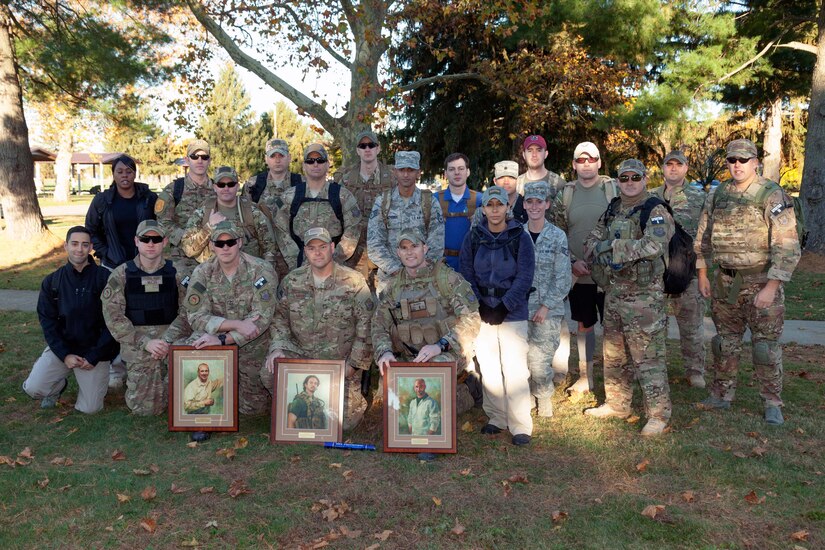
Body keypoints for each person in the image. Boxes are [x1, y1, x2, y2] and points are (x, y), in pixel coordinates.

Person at [694, 138, 801, 425]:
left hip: (760, 282)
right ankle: (721, 395)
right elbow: (703, 238)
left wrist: (772, 286)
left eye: (743, 160)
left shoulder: (771, 194)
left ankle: (771, 402)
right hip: (724, 283)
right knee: (724, 343)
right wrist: (703, 274)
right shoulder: (717, 195)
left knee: (765, 347)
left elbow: (787, 245)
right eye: (732, 160)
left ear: (755, 162)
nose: (737, 165)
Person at [583, 159, 674, 436]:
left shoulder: (655, 209)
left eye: (635, 177)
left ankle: (658, 414)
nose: (630, 182)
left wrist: (611, 248)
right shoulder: (613, 208)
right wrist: (599, 247)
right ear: (618, 181)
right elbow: (591, 240)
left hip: (644, 297)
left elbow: (654, 244)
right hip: (614, 292)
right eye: (624, 178)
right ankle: (617, 404)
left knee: (648, 357)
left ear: (645, 178)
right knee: (613, 355)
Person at [262, 227, 375, 431]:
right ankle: (286, 406)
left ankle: (351, 397)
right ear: (305, 251)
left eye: (323, 247)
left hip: (339, 363)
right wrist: (277, 348)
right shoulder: (292, 281)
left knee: (344, 423)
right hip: (302, 355)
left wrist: (354, 364)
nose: (318, 252)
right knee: (269, 371)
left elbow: (366, 325)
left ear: (332, 248)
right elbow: (279, 318)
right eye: (312, 248)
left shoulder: (353, 281)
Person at [372, 229, 480, 415]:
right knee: (390, 388)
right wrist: (385, 351)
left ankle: (468, 389)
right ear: (398, 253)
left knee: (432, 376)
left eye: (414, 246)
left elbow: (472, 319)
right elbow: (378, 323)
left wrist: (441, 345)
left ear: (425, 248)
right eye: (404, 248)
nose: (409, 252)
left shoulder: (447, 279)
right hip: (411, 355)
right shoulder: (394, 286)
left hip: (446, 353)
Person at [460, 186, 535, 446]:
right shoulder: (474, 237)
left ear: (507, 208)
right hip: (482, 312)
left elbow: (525, 276)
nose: (494, 209)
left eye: (499, 205)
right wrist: (480, 305)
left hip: (512, 313)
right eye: (489, 205)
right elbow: (466, 273)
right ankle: (496, 417)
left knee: (514, 370)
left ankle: (520, 424)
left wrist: (504, 306)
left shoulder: (520, 238)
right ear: (483, 209)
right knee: (490, 368)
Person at [184, 221, 277, 418]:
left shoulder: (261, 270)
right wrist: (235, 325)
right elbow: (195, 316)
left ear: (240, 242)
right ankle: (202, 413)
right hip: (215, 341)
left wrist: (223, 338)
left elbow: (262, 317)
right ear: (211, 246)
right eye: (219, 243)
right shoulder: (202, 272)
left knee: (253, 411)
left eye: (230, 242)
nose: (225, 248)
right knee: (196, 344)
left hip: (252, 344)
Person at [22, 226, 119, 413]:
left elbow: (114, 322)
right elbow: (48, 322)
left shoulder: (106, 278)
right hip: (64, 349)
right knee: (34, 389)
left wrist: (94, 355)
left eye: (84, 244)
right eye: (74, 244)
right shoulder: (52, 281)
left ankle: (91, 382)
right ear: (66, 246)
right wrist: (64, 354)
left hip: (94, 353)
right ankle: (57, 387)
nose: (79, 249)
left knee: (90, 409)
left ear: (91, 247)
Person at [101, 220, 191, 416]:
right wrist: (146, 342)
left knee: (186, 403)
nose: (151, 244)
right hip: (139, 345)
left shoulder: (178, 272)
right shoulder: (121, 274)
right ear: (136, 241)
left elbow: (189, 311)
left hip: (173, 341)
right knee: (146, 410)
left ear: (165, 241)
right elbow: (113, 316)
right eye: (145, 239)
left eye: (156, 239)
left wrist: (166, 341)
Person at [553, 141, 618, 394]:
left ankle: (616, 378)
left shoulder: (613, 190)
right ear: (574, 165)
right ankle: (585, 375)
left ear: (600, 162)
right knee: (584, 326)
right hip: (579, 275)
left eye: (592, 158)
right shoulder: (565, 196)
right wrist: (571, 262)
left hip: (611, 275)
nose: (587, 163)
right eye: (581, 160)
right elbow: (557, 234)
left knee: (614, 329)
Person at [650, 150, 707, 388]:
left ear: (685, 168)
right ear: (662, 169)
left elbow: (706, 235)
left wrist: (703, 272)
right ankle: (656, 368)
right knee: (654, 325)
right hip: (656, 270)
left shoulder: (699, 197)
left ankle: (695, 370)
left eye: (678, 165)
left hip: (688, 270)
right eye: (668, 164)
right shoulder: (651, 196)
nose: (673, 168)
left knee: (691, 325)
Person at [523, 182, 572, 417]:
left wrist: (545, 306)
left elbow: (563, 277)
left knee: (540, 358)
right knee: (522, 357)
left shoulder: (557, 236)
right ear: (524, 204)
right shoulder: (517, 234)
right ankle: (529, 396)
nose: (534, 206)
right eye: (530, 202)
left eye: (539, 202)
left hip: (548, 309)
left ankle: (544, 399)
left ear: (547, 204)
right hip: (520, 308)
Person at [273, 143, 361, 270]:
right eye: (310, 161)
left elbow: (353, 230)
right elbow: (281, 231)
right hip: (300, 267)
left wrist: (333, 259)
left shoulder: (343, 196)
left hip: (334, 267)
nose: (315, 164)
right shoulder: (289, 197)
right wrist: (297, 261)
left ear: (327, 164)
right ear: (304, 166)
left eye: (320, 160)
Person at [367, 150, 445, 292]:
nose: (406, 174)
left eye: (410, 170)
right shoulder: (383, 202)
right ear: (394, 172)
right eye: (402, 170)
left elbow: (437, 243)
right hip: (391, 280)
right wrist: (397, 270)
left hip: (422, 279)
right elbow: (374, 244)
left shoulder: (429, 202)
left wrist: (420, 269)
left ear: (418, 172)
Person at [181, 165, 277, 265]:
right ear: (215, 187)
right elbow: (188, 250)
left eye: (230, 184)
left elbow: (270, 248)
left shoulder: (252, 212)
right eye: (221, 185)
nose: (226, 188)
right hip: (212, 274)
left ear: (237, 186)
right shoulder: (203, 212)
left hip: (248, 273)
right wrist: (209, 227)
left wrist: (265, 273)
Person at [335, 129, 395, 287]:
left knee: (386, 301)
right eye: (363, 146)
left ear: (378, 148)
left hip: (385, 250)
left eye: (371, 145)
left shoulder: (392, 177)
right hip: (353, 253)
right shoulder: (346, 179)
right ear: (357, 150)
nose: (367, 149)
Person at [155, 139, 215, 279]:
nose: (199, 161)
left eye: (204, 157)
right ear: (187, 160)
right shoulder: (174, 189)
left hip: (213, 256)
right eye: (194, 157)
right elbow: (163, 222)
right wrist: (189, 240)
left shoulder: (218, 189)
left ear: (209, 161)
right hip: (181, 259)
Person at [85, 154, 158, 270]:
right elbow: (90, 230)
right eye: (119, 172)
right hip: (112, 264)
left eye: (129, 171)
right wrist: (105, 252)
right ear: (113, 174)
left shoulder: (149, 198)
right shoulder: (102, 200)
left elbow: (161, 226)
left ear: (135, 174)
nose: (124, 175)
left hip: (146, 263)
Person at [243, 137, 302, 278]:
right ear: (266, 159)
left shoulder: (300, 183)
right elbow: (245, 220)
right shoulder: (253, 185)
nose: (277, 160)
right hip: (262, 256)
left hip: (293, 254)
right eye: (273, 156)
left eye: (281, 155)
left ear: (289, 158)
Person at [437, 152, 482, 271]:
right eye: (451, 169)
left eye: (461, 168)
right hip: (442, 266)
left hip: (472, 266)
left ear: (468, 172)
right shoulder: (434, 200)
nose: (457, 173)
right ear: (445, 174)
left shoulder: (480, 200)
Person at [516, 134, 565, 202]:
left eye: (539, 150)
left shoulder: (558, 184)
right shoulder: (517, 184)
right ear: (524, 155)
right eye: (530, 151)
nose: (534, 155)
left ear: (546, 154)